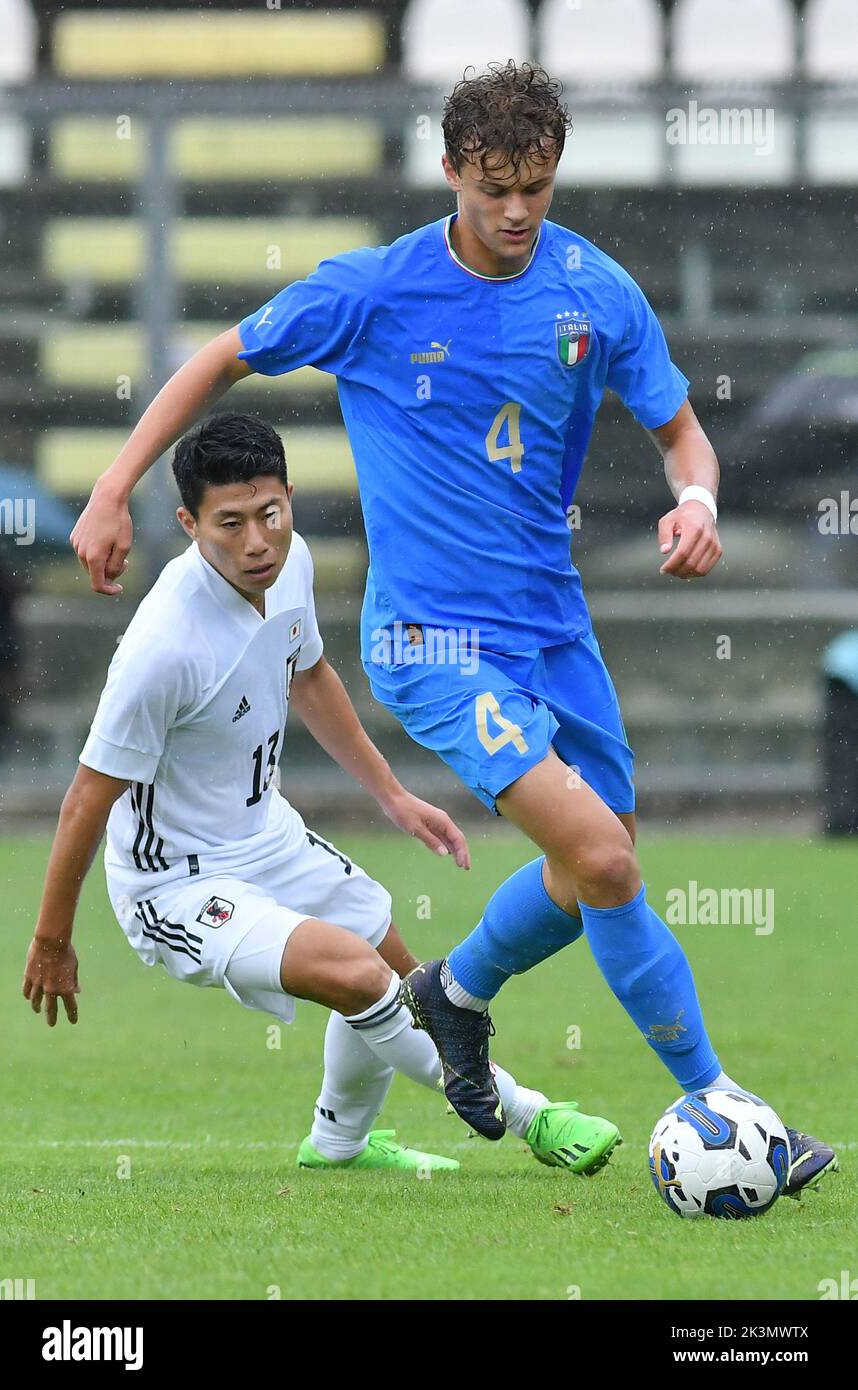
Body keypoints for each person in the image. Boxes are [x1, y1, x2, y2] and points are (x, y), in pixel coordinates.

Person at [68, 63, 835, 1193]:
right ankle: (714, 1100)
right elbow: (221, 356)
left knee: (594, 865)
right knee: (603, 858)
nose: (517, 211)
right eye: (493, 190)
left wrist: (697, 502)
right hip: (431, 641)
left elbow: (681, 433)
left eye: (536, 187)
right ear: (449, 174)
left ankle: (454, 991)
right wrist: (110, 486)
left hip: (552, 627)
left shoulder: (592, 289)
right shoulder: (375, 292)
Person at [24, 412, 620, 1176]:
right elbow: (86, 797)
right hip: (174, 884)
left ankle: (338, 1143)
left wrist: (392, 795)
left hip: (268, 836)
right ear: (188, 524)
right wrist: (52, 939)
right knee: (359, 975)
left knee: (397, 968)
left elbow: (309, 676)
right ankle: (532, 1113)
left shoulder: (291, 562)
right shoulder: (164, 647)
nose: (257, 542)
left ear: (288, 498)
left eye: (270, 513)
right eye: (230, 524)